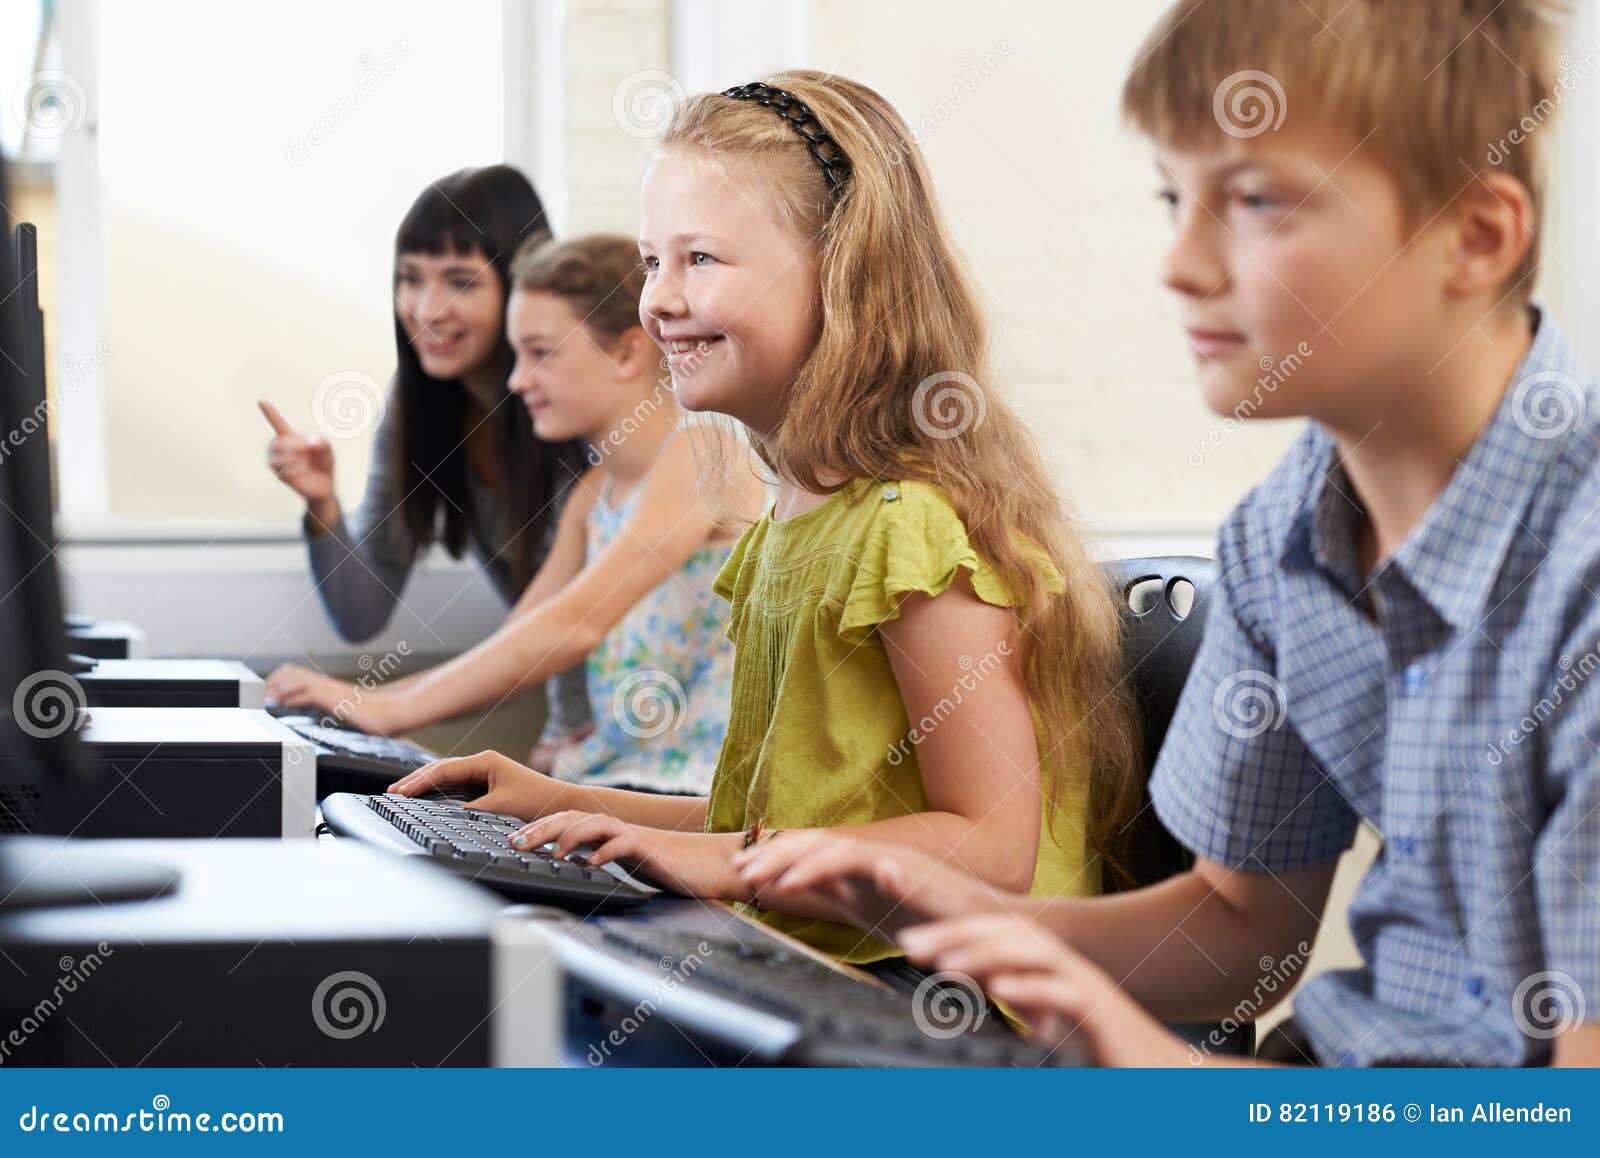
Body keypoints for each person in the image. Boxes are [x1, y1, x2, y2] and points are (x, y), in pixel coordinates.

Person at [735, 0, 1600, 1066]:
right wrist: (959, 919)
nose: (1180, 264)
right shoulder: (1282, 539)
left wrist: (1168, 1078)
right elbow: (1239, 936)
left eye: (1255, 201)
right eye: (1172, 198)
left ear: (1475, 236)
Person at [390, 71, 1142, 965]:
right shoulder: (792, 516)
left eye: (700, 259)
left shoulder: (913, 525)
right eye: (651, 262)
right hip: (830, 962)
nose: (658, 300)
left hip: (941, 999)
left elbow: (992, 849)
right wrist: (565, 801)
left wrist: (727, 861)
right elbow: (767, 826)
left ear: (843, 273)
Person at [268, 234, 762, 794]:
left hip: (698, 797)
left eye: (540, 352)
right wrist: (371, 702)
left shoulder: (704, 454)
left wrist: (386, 710)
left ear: (628, 353)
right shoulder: (593, 494)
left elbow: (575, 624)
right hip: (618, 780)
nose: (516, 379)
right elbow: (520, 643)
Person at [260, 165, 592, 764]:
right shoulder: (420, 408)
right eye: (409, 279)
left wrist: (380, 703)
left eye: (461, 282)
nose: (427, 309)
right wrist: (322, 504)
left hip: (638, 736)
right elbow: (362, 615)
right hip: (574, 742)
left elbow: (562, 624)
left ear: (524, 285)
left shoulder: (585, 402)